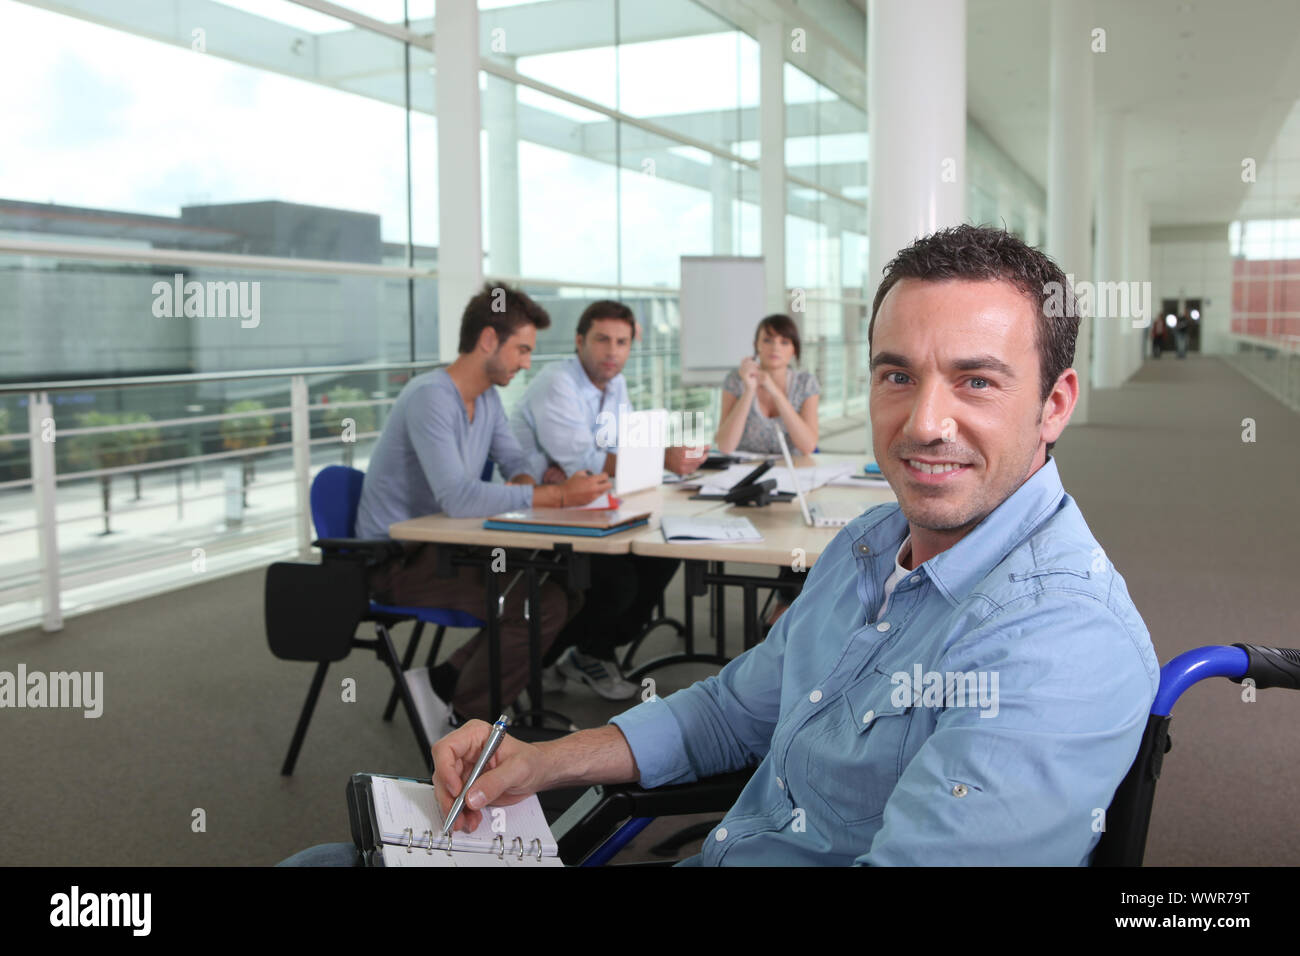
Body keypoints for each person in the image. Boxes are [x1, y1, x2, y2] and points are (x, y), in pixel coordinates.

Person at [282, 225, 1159, 866]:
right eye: (898, 375)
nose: (926, 423)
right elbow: (733, 709)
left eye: (976, 380)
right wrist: (539, 763)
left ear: (1054, 403)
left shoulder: (1059, 641)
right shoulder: (870, 540)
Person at [355, 281, 609, 736]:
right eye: (522, 350)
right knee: (539, 603)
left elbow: (515, 463)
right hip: (394, 561)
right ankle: (466, 724)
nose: (527, 363)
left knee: (566, 591)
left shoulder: (486, 399)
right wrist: (555, 497)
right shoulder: (430, 396)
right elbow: (457, 497)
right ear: (489, 340)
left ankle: (444, 680)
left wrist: (536, 487)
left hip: (447, 547)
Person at [510, 300, 708, 699]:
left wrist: (624, 460)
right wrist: (656, 456)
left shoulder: (613, 384)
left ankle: (587, 651)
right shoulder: (557, 382)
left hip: (589, 505)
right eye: (602, 340)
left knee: (662, 555)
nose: (613, 351)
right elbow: (588, 459)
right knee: (619, 579)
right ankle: (554, 658)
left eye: (622, 342)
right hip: (535, 511)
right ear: (580, 341)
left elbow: (621, 451)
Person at [713, 314, 820, 456]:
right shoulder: (736, 380)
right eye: (768, 340)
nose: (775, 347)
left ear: (794, 349)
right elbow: (724, 446)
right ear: (756, 345)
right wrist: (749, 391)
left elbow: (808, 446)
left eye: (784, 342)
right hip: (746, 470)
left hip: (793, 469)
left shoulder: (805, 383)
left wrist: (774, 391)